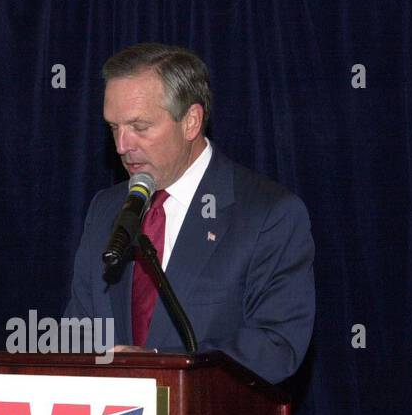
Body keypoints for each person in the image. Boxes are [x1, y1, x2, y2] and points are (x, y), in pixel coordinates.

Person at [64, 43, 315, 385]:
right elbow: (78, 336)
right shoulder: (106, 209)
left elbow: (276, 347)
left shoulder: (268, 215)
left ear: (191, 121)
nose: (123, 145)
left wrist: (161, 367)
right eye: (113, 128)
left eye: (140, 126)